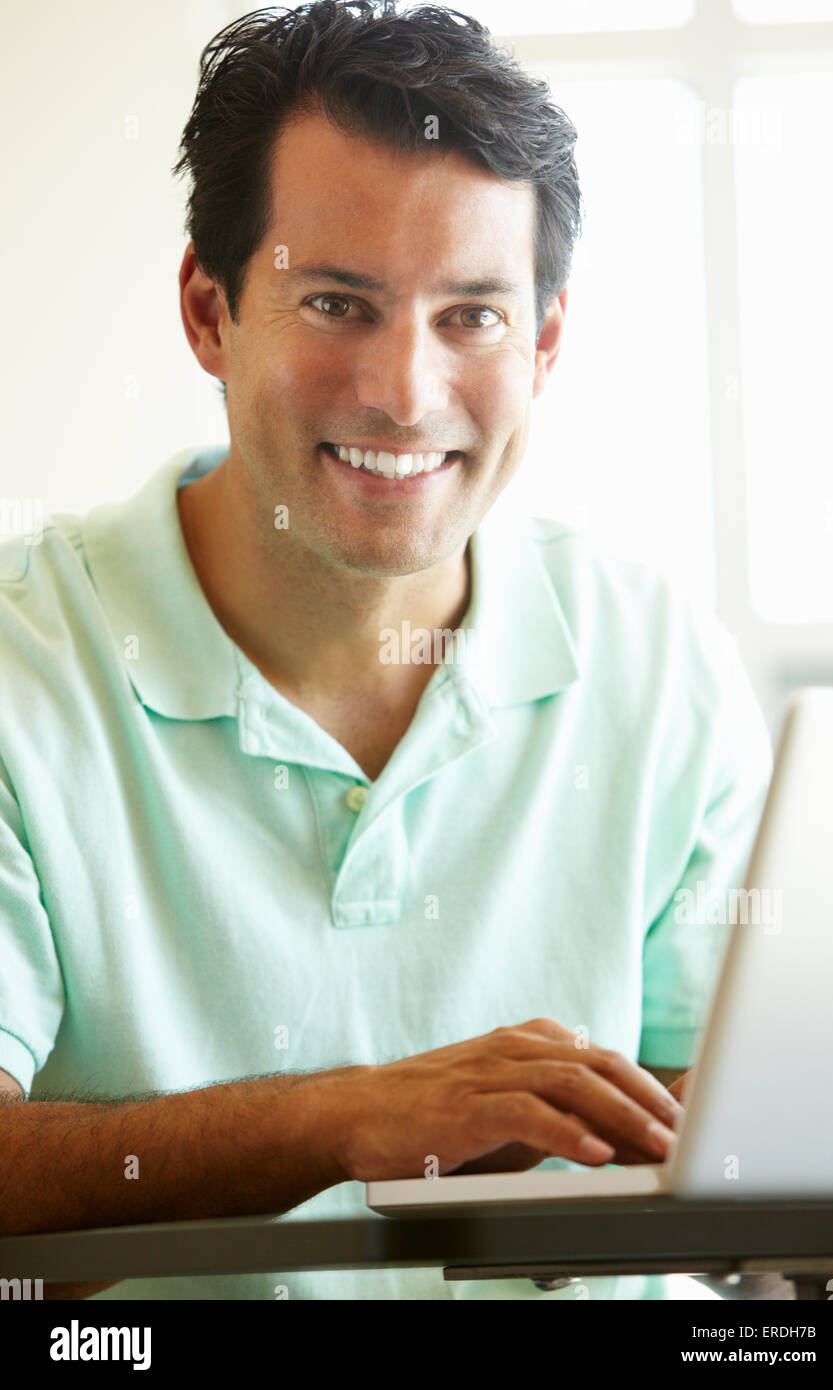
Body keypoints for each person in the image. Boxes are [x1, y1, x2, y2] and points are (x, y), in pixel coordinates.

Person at [0, 1, 773, 1300]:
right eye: (337, 303)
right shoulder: (30, 665)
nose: (404, 394)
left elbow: (740, 1135)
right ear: (208, 310)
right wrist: (345, 1120)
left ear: (543, 343)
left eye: (471, 315)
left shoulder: (654, 659)